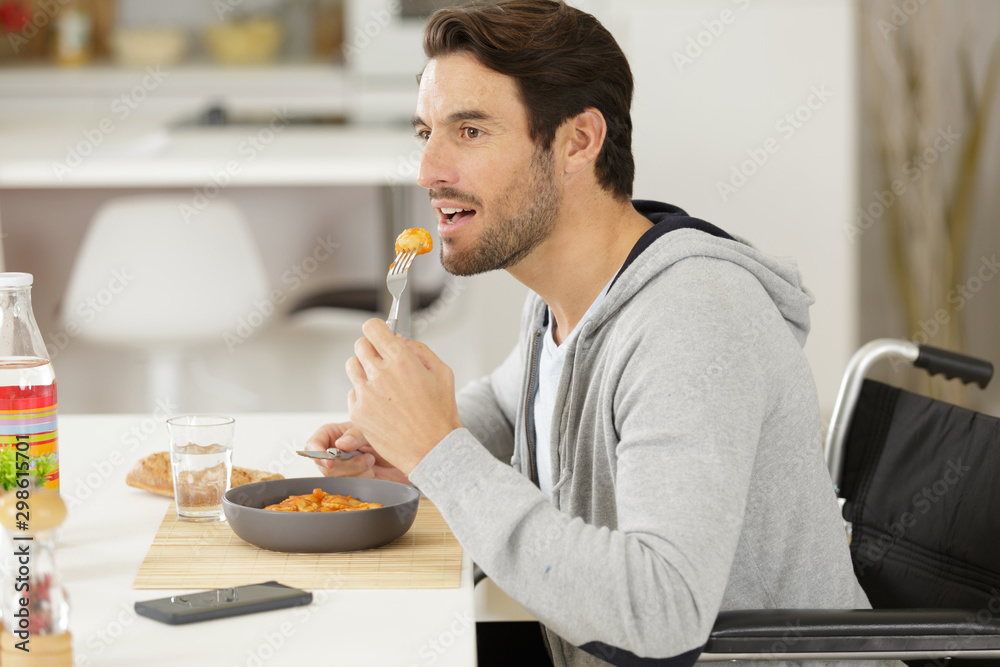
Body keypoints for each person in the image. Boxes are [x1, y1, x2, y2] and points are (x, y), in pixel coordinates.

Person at [306, 2, 876, 665]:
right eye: (425, 131)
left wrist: (438, 451)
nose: (428, 169)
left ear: (578, 141)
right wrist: (400, 442)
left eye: (469, 131)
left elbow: (663, 608)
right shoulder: (565, 296)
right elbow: (511, 411)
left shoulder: (692, 320)